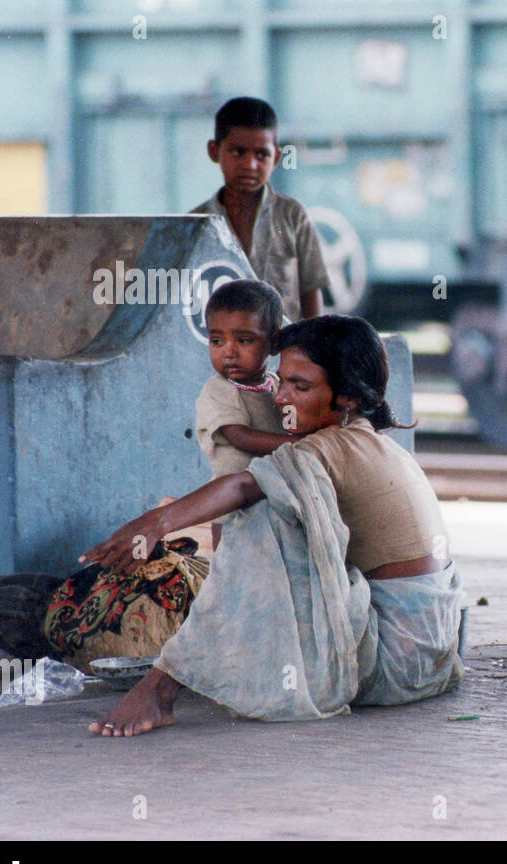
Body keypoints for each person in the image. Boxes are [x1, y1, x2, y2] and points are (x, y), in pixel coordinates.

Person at [83, 316, 462, 736]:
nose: (281, 397)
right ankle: (191, 668)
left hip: (394, 665)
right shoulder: (372, 441)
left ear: (349, 397)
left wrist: (155, 524)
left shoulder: (330, 446)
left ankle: (161, 687)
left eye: (300, 387)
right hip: (434, 656)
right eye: (281, 382)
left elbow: (245, 487)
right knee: (284, 500)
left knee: (262, 518)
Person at [190, 97, 330, 321]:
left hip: (284, 349)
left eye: (262, 154)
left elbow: (311, 291)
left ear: (276, 157)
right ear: (214, 151)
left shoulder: (292, 217)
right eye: (238, 152)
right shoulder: (195, 223)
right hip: (220, 352)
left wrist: (315, 350)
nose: (250, 165)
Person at [195, 279, 294, 548]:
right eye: (217, 340)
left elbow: (292, 424)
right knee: (233, 576)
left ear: (273, 343)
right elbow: (240, 437)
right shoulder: (219, 390)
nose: (229, 352)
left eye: (244, 340)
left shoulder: (275, 386)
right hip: (233, 508)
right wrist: (300, 446)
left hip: (271, 501)